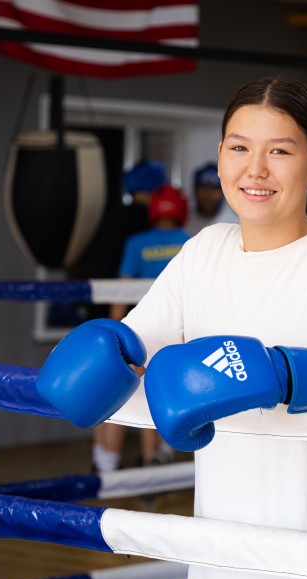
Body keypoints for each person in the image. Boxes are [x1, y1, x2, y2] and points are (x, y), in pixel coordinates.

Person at [37, 76, 307, 579]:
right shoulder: (205, 251)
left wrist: (282, 374)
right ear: (221, 155)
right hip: (224, 545)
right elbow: (130, 346)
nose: (256, 170)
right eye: (239, 148)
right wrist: (97, 357)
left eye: (280, 151)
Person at [92, 183, 191, 475]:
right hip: (179, 331)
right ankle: (154, 460)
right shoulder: (189, 242)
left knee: (120, 396)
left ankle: (106, 467)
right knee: (161, 392)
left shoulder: (137, 242)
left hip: (141, 329)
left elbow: (122, 289)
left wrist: (114, 329)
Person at [183, 161, 239, 235]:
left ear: (223, 191)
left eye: (214, 188)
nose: (208, 193)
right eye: (204, 187)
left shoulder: (234, 225)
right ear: (195, 190)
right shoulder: (184, 221)